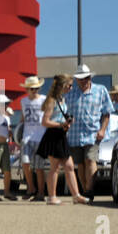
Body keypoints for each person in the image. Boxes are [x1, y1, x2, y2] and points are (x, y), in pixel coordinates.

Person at [62, 64, 114, 201]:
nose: (83, 81)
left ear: (90, 77)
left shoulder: (100, 90)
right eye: (80, 79)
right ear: (76, 80)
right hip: (74, 134)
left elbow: (107, 113)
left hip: (93, 133)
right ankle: (84, 190)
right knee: (80, 163)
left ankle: (90, 191)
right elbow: (63, 112)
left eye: (85, 78)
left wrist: (102, 129)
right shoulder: (70, 94)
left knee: (90, 159)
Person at [38, 74, 87, 204]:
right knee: (55, 167)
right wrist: (62, 124)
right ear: (62, 86)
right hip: (53, 135)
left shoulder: (61, 99)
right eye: (69, 85)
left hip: (60, 134)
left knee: (69, 166)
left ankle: (76, 195)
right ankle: (52, 197)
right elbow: (45, 121)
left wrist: (66, 123)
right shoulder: (52, 100)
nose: (71, 88)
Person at [19, 76, 47, 200]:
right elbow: (23, 118)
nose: (34, 90)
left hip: (41, 137)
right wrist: (17, 133)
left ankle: (41, 193)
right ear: (27, 89)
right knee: (25, 162)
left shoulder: (44, 100)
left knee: (39, 167)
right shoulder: (23, 101)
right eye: (31, 88)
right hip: (27, 137)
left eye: (36, 88)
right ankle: (31, 188)